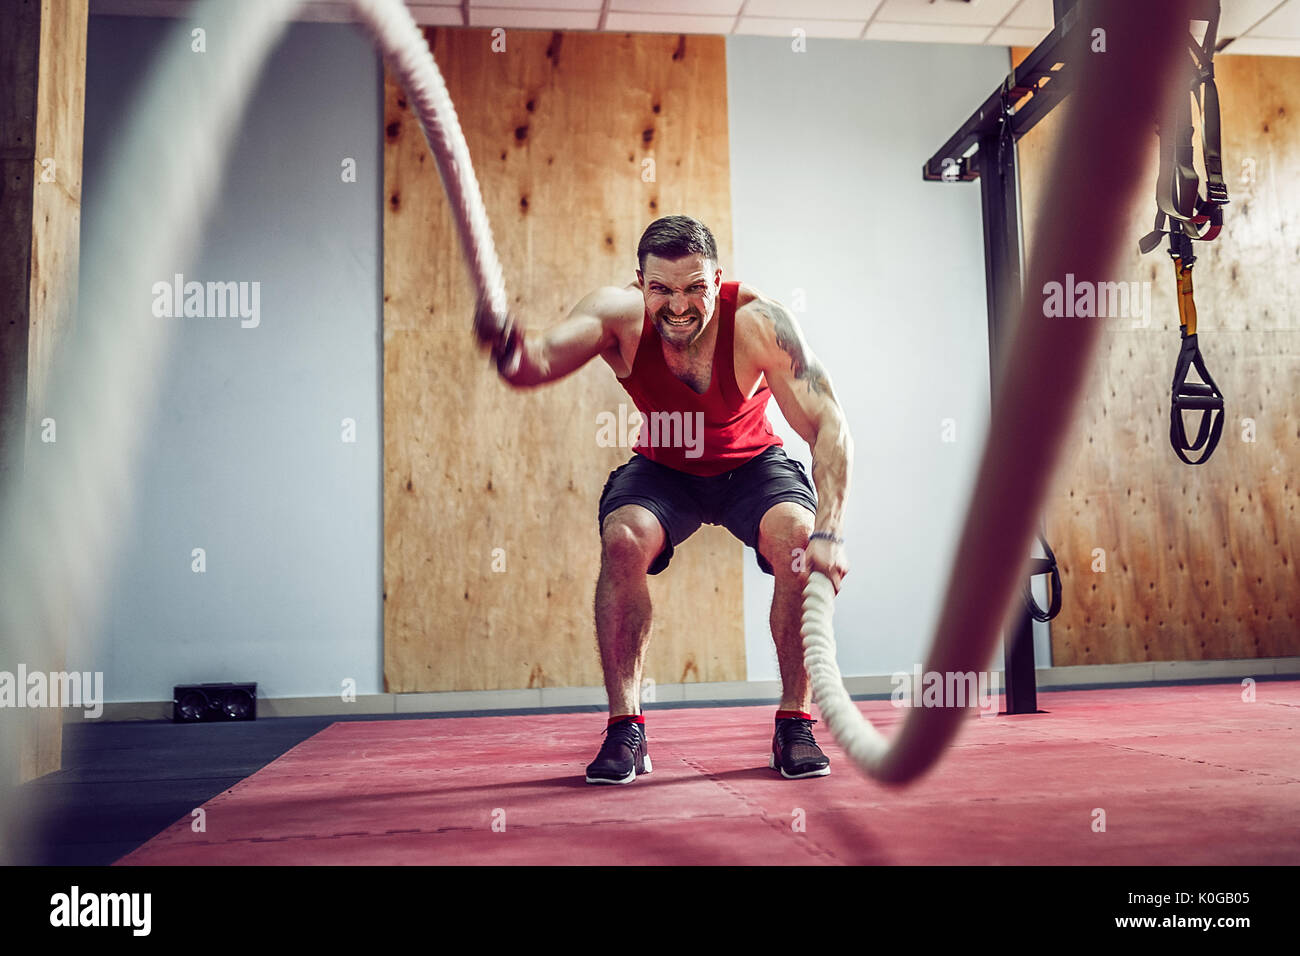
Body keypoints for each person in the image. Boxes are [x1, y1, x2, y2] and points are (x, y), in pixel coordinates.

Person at [476, 215, 852, 784]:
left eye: (694, 288)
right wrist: (509, 347)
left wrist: (830, 530)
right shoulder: (617, 316)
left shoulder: (759, 323)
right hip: (664, 468)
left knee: (798, 540)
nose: (679, 305)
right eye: (662, 289)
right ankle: (626, 729)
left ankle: (794, 724)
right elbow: (540, 361)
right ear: (640, 283)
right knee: (623, 538)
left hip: (750, 465)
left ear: (717, 280)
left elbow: (829, 425)